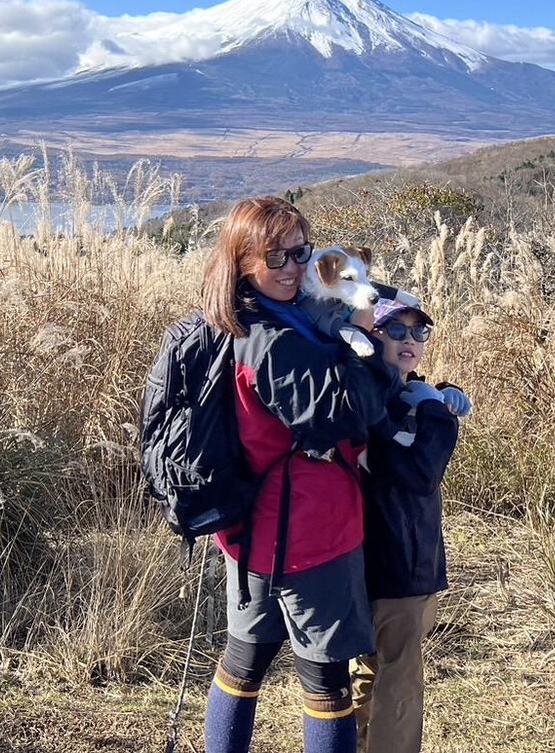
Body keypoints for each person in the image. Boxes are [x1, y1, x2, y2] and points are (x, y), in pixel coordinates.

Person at [200, 195, 398, 753]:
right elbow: (346, 413)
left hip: (254, 531)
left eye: (299, 252)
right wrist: (367, 341)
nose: (292, 267)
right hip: (307, 529)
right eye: (275, 256)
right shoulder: (272, 342)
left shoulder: (249, 320)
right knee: (326, 680)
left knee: (244, 659)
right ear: (243, 260)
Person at [349, 293, 472, 753]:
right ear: (368, 335)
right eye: (394, 330)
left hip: (386, 562)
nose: (410, 339)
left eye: (419, 331)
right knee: (399, 680)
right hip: (396, 565)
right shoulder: (373, 404)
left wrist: (436, 392)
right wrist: (437, 409)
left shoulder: (391, 393)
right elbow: (421, 472)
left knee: (369, 669)